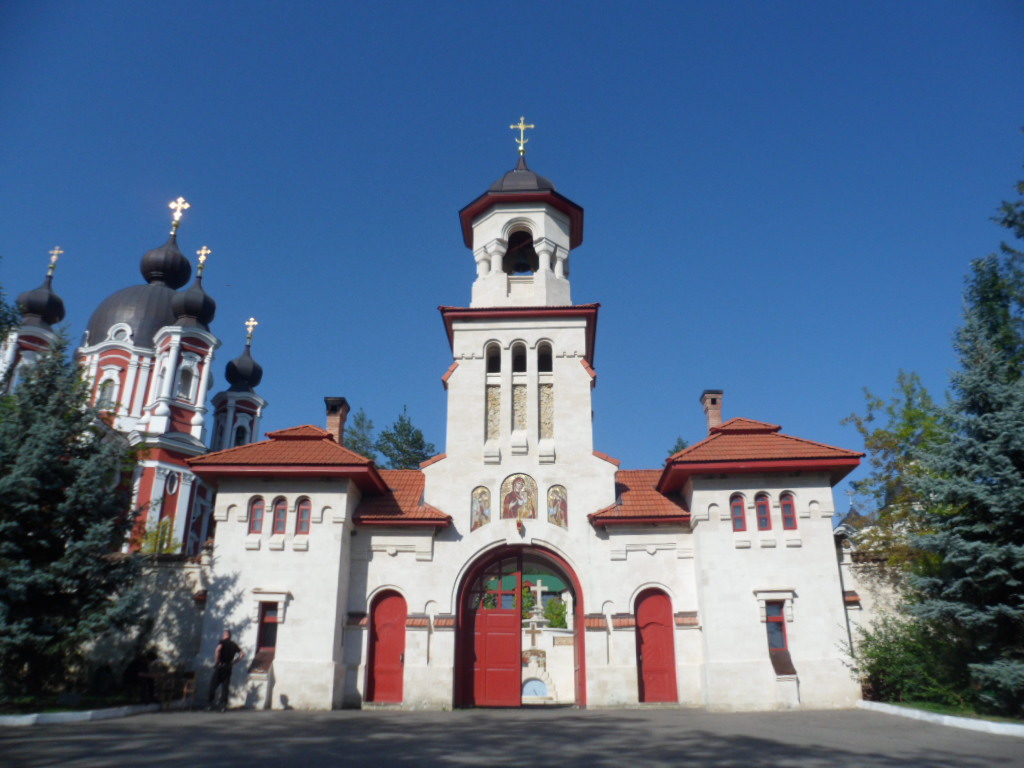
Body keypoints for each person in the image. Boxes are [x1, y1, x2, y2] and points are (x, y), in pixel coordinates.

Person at [207, 629, 245, 711]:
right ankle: (223, 705)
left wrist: (217, 661)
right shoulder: (233, 644)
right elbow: (242, 654)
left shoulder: (222, 642)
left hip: (220, 666)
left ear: (225, 635)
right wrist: (234, 662)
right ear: (230, 636)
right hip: (228, 667)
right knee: (225, 687)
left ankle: (209, 704)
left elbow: (217, 650)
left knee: (213, 685)